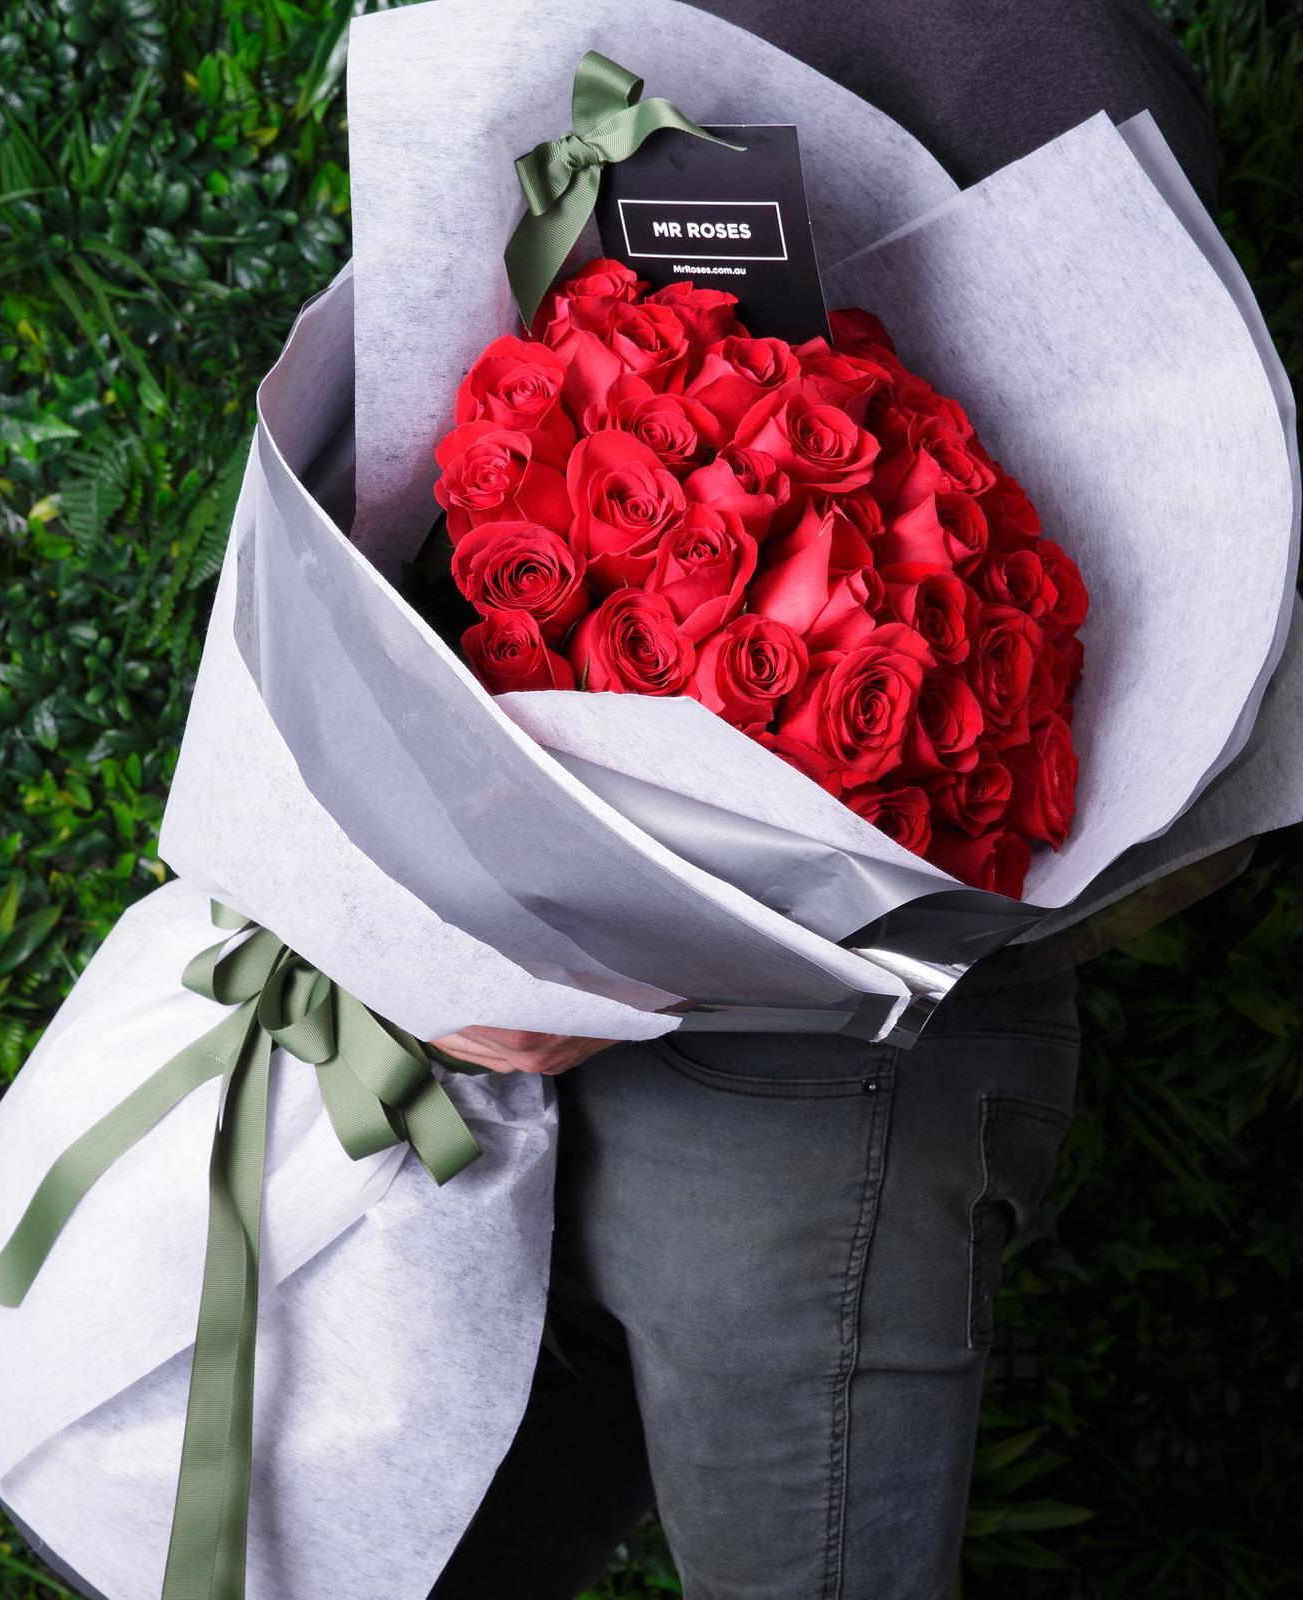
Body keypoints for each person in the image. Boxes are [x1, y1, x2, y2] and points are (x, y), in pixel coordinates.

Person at [426, 5, 1220, 1598]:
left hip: (829, 1071)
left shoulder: (1069, 78)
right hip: (498, 961)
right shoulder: (578, 36)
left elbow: (1191, 788)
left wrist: (700, 944)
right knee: (399, 1524)